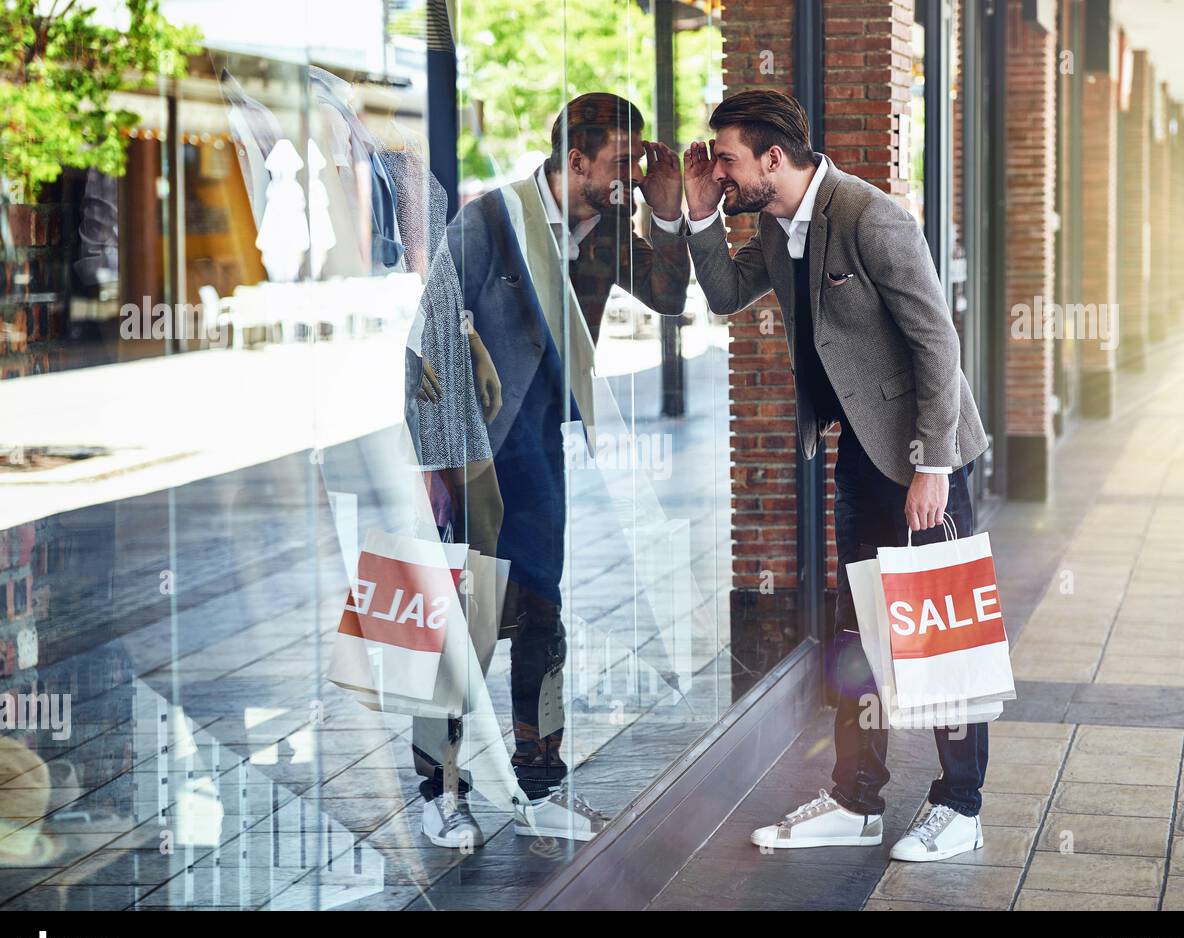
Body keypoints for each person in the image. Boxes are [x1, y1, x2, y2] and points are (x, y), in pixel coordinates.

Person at [679, 89, 992, 862]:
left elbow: (937, 345)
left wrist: (933, 466)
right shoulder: (776, 224)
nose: (720, 173)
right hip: (858, 455)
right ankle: (856, 800)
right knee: (859, 637)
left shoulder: (869, 216)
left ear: (772, 160)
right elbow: (722, 293)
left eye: (727, 161)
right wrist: (695, 213)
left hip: (925, 457)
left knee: (940, 629)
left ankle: (961, 803)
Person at [415, 92, 691, 848]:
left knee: (541, 617)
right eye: (622, 162)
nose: (631, 173)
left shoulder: (609, 230)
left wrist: (665, 212)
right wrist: (434, 464)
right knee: (463, 628)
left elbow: (669, 295)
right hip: (475, 454)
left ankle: (541, 781)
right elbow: (428, 339)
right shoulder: (490, 221)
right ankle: (439, 791)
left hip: (540, 451)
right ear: (576, 161)